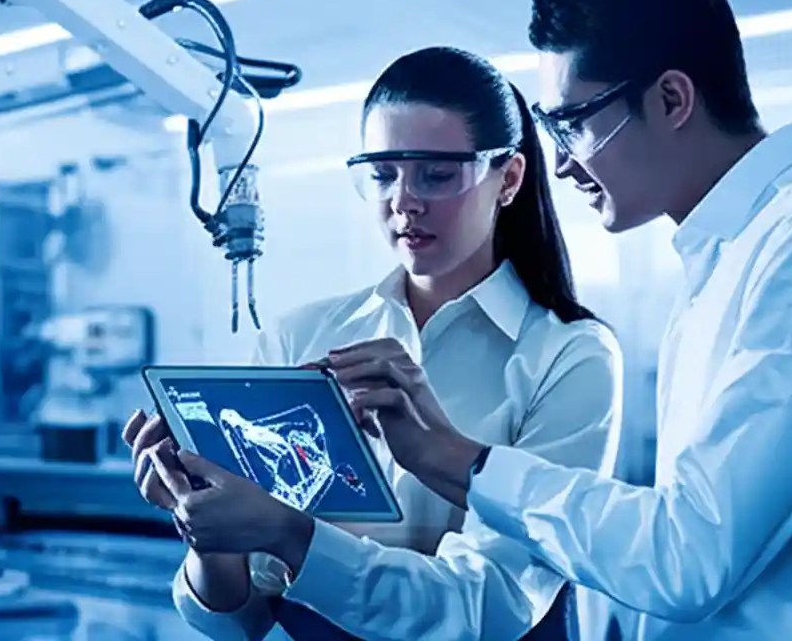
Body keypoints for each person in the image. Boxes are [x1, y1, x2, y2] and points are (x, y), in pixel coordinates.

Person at [309, 0, 792, 641]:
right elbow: (684, 540)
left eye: (573, 125)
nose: (561, 166)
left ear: (671, 98)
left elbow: (692, 557)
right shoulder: (725, 259)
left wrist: (457, 458)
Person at [123, 45, 624, 640]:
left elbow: (490, 609)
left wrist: (290, 532)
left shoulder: (569, 356)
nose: (403, 201)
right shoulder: (300, 336)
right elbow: (240, 623)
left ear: (509, 178)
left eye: (436, 175)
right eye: (383, 174)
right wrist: (204, 524)